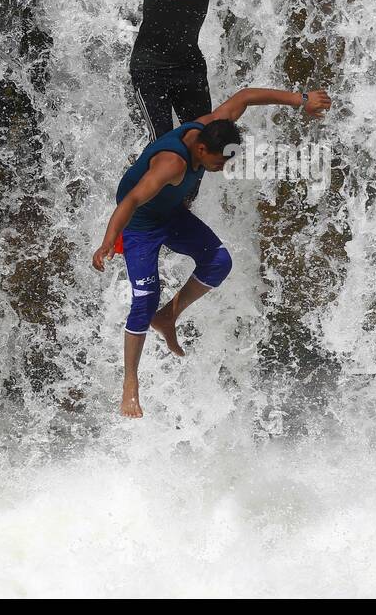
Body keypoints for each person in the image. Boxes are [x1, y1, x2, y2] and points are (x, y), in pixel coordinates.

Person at [92, 86, 332, 417]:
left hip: (170, 214)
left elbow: (245, 97)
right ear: (202, 149)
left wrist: (301, 100)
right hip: (139, 224)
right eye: (218, 162)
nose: (221, 168)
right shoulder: (170, 165)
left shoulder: (213, 126)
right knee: (145, 298)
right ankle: (130, 384)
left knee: (219, 261)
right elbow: (131, 200)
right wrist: (109, 241)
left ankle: (168, 316)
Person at [2, 0, 305, 141]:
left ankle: (182, 206)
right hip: (150, 70)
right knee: (163, 144)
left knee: (203, 140)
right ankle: (146, 203)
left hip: (189, 67)